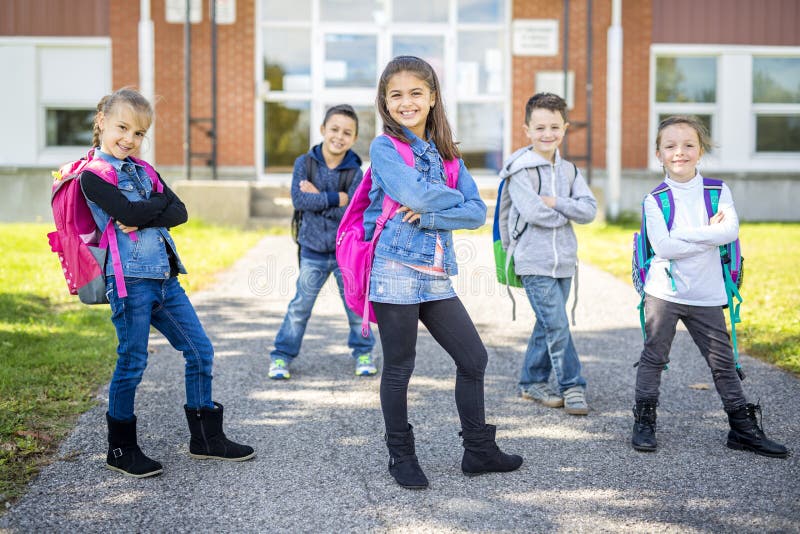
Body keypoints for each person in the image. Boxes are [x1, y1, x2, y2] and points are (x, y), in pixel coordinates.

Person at [366, 56, 523, 489]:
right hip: (394, 269)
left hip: (435, 273)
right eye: (396, 94)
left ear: (433, 97)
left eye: (416, 92)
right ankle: (401, 456)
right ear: (385, 101)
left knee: (473, 358)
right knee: (400, 367)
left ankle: (478, 450)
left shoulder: (446, 154)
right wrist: (450, 200)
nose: (406, 102)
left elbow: (477, 212)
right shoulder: (385, 148)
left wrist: (434, 213)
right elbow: (412, 191)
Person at [81, 88, 255, 478]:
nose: (130, 138)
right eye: (122, 127)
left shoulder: (145, 171)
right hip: (130, 283)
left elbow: (182, 211)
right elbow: (129, 209)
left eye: (139, 132)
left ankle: (206, 440)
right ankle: (121, 449)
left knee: (200, 350)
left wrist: (144, 214)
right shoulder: (92, 176)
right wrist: (153, 209)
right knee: (133, 361)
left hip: (166, 280)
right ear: (101, 122)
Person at [631, 115, 788, 458]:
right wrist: (708, 236)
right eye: (670, 146)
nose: (680, 152)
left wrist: (685, 235)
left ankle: (742, 429)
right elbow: (664, 249)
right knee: (654, 357)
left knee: (723, 362)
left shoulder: (718, 190)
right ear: (659, 154)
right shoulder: (654, 199)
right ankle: (644, 421)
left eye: (689, 145)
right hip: (664, 293)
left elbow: (729, 232)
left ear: (700, 150)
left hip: (707, 293)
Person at [501, 92, 597, 415]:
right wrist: (568, 211)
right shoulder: (519, 170)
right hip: (532, 259)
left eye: (554, 127)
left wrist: (557, 202)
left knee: (546, 323)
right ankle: (572, 386)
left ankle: (531, 381)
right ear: (526, 129)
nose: (547, 134)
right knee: (557, 323)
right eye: (539, 127)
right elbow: (532, 213)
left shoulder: (569, 172)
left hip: (564, 261)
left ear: (565, 128)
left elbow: (590, 210)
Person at [267, 104, 376, 380]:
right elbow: (300, 200)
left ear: (354, 138)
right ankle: (281, 356)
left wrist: (321, 198)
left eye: (347, 132)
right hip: (313, 250)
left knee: (355, 306)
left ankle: (364, 352)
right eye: (334, 129)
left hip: (345, 253)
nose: (339, 136)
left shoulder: (356, 173)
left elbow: (352, 213)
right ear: (322, 130)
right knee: (300, 307)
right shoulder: (304, 163)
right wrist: (335, 197)